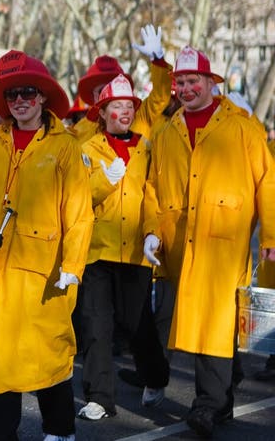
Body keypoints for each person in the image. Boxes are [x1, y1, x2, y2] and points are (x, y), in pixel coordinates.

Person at [0, 50, 93, 441]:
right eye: (12, 94)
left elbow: (80, 213)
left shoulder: (64, 146)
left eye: (28, 92)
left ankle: (60, 430)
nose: (20, 101)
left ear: (44, 97)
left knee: (46, 353)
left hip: (43, 271)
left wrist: (73, 265)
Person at [141, 46, 275, 438]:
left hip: (224, 241)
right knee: (204, 323)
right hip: (181, 241)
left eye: (192, 81)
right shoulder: (166, 131)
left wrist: (270, 234)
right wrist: (152, 229)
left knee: (215, 321)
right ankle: (222, 402)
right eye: (179, 82)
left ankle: (208, 406)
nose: (185, 88)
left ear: (210, 83)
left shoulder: (242, 127)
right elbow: (151, 186)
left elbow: (267, 181)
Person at [76, 75, 170, 421]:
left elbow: (153, 194)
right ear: (103, 112)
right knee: (96, 325)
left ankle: (156, 377)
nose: (125, 112)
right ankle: (100, 397)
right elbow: (80, 198)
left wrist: (152, 234)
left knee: (137, 325)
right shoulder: (86, 150)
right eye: (118, 106)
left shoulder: (146, 147)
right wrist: (104, 180)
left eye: (129, 106)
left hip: (135, 252)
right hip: (98, 251)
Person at [70, 24, 172, 143]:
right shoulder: (80, 131)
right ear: (94, 96)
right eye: (102, 90)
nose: (109, 94)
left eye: (114, 87)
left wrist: (158, 60)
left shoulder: (139, 116)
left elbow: (160, 96)